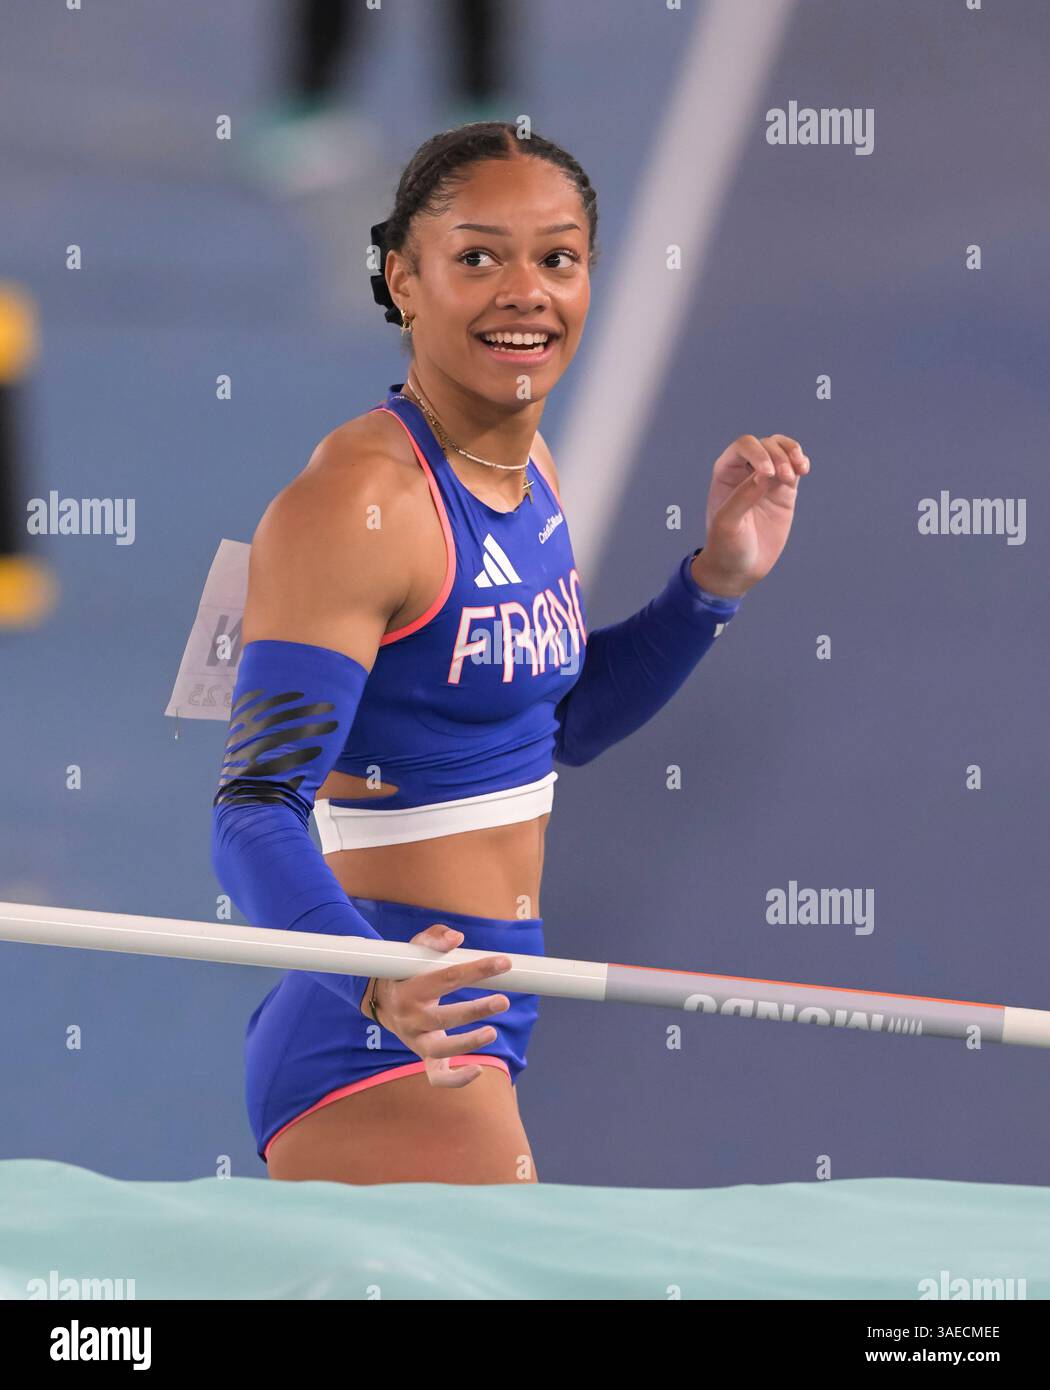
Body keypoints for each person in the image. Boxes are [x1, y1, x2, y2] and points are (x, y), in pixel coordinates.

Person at [211, 121, 810, 1186]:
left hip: (481, 1007)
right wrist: (376, 981)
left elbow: (557, 728)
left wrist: (710, 586)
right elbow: (253, 806)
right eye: (479, 257)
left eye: (558, 258)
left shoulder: (532, 479)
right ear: (403, 278)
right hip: (386, 1033)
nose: (526, 290)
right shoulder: (364, 504)